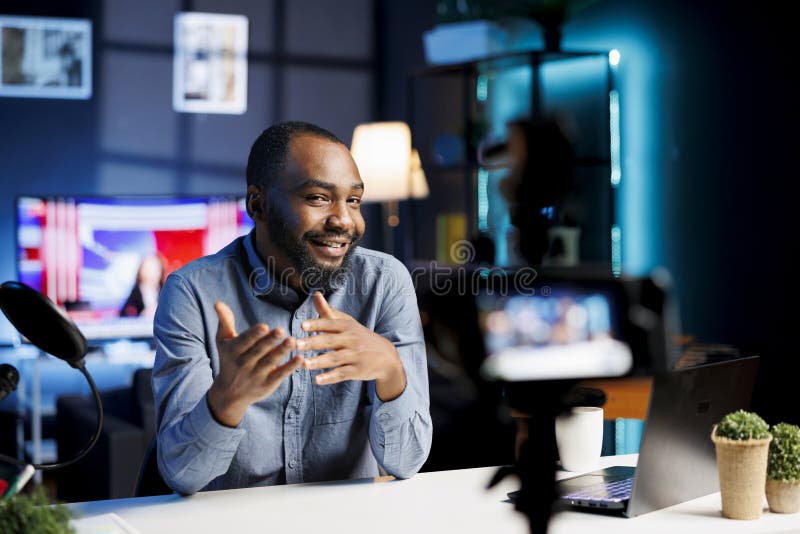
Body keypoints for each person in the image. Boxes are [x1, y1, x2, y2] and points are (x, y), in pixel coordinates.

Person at [152, 121, 432, 495]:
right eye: (318, 198)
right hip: (236, 521)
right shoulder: (192, 292)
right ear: (258, 205)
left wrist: (390, 370)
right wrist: (226, 400)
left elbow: (407, 461)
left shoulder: (385, 282)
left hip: (345, 520)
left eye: (353, 200)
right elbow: (181, 474)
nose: (344, 221)